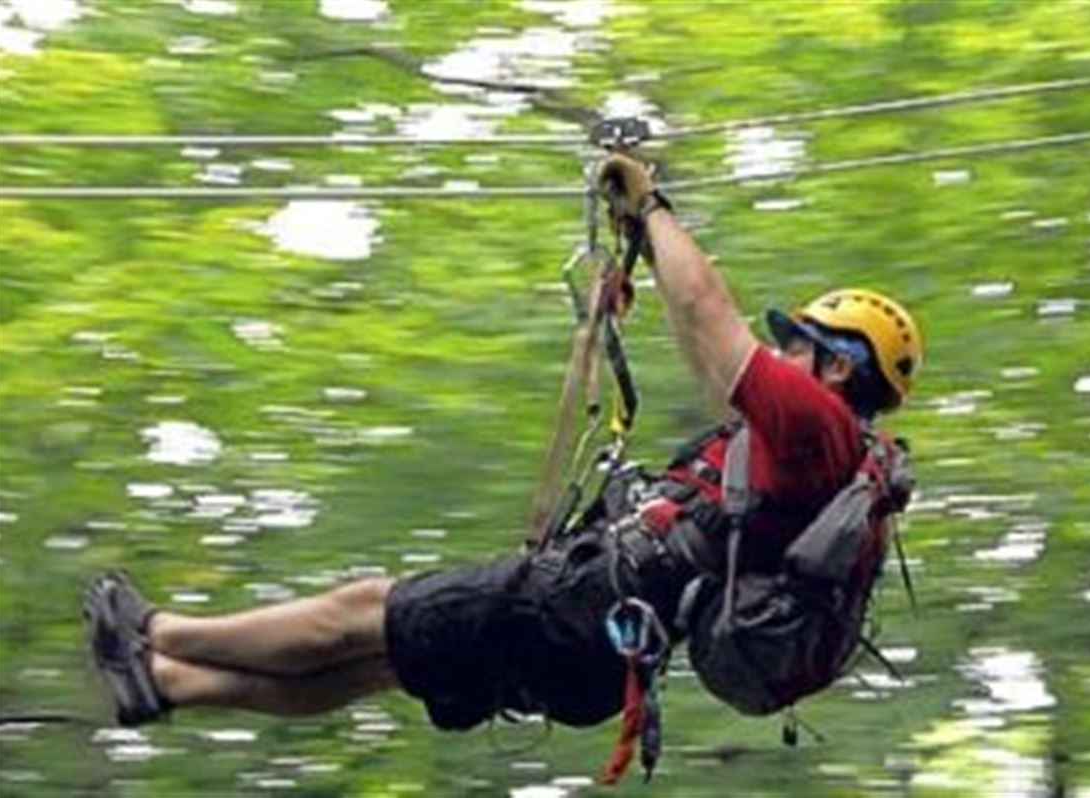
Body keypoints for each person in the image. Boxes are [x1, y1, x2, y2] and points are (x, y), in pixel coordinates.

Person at [85, 153, 923, 772]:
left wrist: (652, 206)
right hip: (607, 658)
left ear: (839, 365)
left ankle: (159, 634)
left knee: (366, 610)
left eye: (799, 343)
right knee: (384, 663)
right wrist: (638, 246)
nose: (783, 354)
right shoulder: (819, 464)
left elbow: (709, 316)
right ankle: (165, 681)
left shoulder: (818, 424)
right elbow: (705, 357)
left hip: (580, 606)